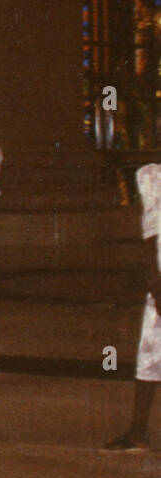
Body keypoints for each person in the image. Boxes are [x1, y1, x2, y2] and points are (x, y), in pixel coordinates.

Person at [103, 162, 161, 451]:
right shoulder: (151, 175)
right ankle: (138, 432)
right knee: (151, 355)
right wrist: (155, 281)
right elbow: (150, 233)